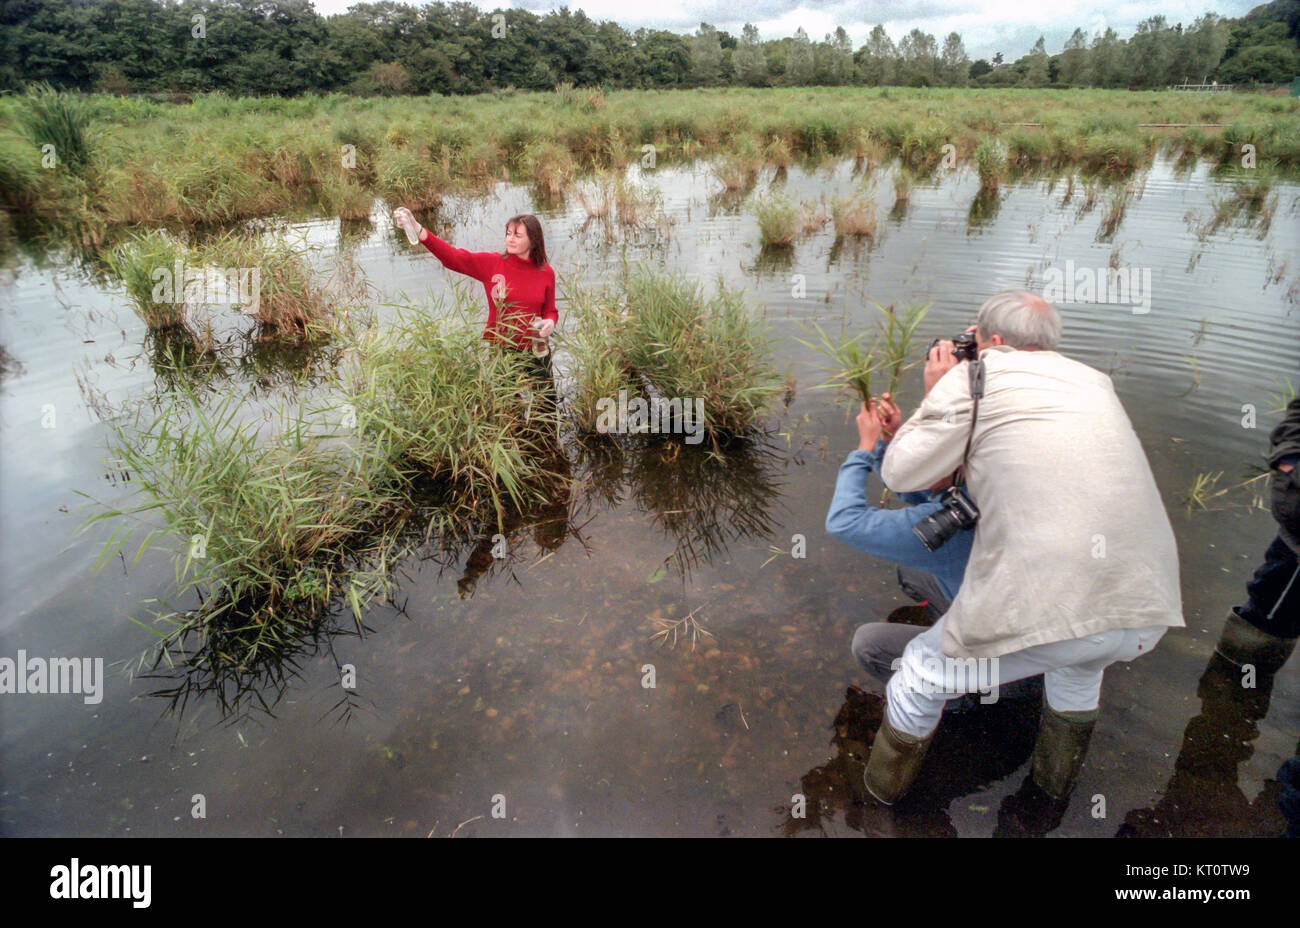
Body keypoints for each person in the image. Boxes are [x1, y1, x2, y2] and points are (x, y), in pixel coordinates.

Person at [863, 290, 1184, 806]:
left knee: (920, 673)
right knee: (1077, 671)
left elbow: (900, 473)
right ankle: (1048, 800)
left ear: (992, 340)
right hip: (1145, 607)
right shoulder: (1095, 382)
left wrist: (939, 391)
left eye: (973, 339)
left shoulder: (975, 378)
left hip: (1054, 603)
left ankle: (880, 803)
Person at [825, 393, 975, 684]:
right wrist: (889, 439)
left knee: (868, 644)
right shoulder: (976, 482)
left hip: (995, 656)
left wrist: (865, 448)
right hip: (996, 606)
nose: (913, 467)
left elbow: (843, 521)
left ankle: (959, 694)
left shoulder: (948, 530)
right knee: (911, 570)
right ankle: (947, 629)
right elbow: (916, 489)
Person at [393, 208, 558, 395]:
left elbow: (550, 310)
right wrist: (418, 229)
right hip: (503, 350)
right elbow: (453, 257)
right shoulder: (493, 263)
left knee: (546, 404)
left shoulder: (546, 272)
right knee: (508, 407)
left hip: (537, 349)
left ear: (533, 240)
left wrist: (550, 322)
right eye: (508, 234)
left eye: (518, 236)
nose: (510, 239)